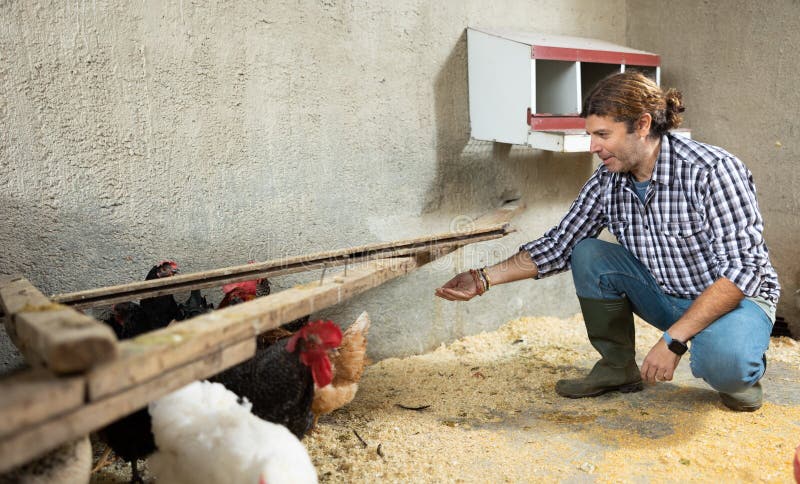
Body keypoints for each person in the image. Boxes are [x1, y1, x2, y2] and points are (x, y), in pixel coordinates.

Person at [435, 71, 780, 412]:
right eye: (590, 135)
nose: (593, 147)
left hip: (732, 300)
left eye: (603, 134)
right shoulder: (608, 180)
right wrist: (483, 279)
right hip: (665, 293)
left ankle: (740, 371)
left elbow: (742, 271)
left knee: (726, 366)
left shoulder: (713, 170)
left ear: (642, 125)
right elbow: (561, 244)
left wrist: (672, 341)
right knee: (587, 252)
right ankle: (617, 368)